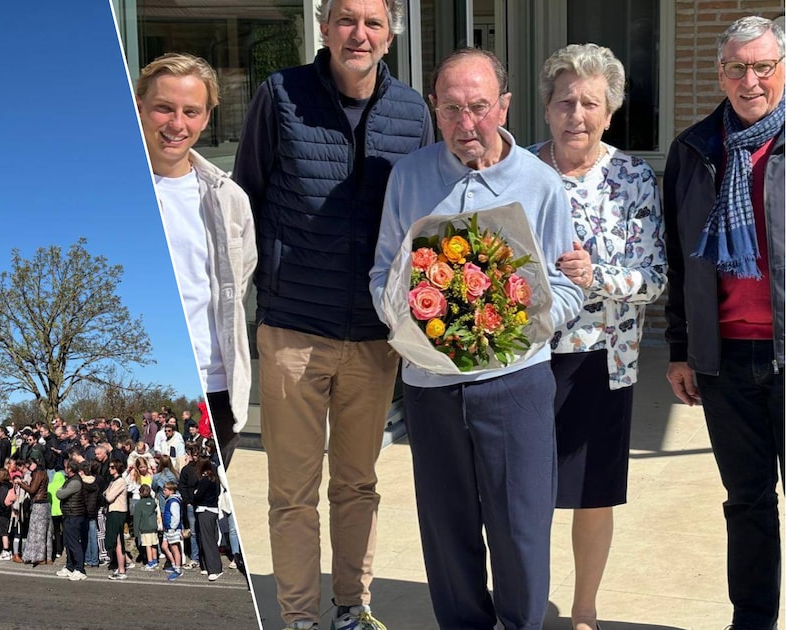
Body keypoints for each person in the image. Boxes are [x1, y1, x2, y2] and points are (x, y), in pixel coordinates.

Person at [369, 48, 584, 628]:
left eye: (480, 108)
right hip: (430, 387)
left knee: (520, 530)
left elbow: (566, 286)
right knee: (447, 532)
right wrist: (404, 320)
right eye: (452, 110)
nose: (467, 124)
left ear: (505, 106)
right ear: (435, 111)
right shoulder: (409, 177)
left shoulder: (541, 184)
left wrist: (517, 327)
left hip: (515, 384)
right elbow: (383, 270)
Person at [232, 0, 432, 626]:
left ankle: (352, 606)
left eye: (373, 22)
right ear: (323, 24)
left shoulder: (412, 111)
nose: (359, 34)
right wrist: (270, 285)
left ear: (391, 33)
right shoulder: (281, 94)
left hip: (374, 336)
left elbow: (425, 214)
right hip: (294, 326)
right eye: (347, 19)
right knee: (291, 493)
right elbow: (248, 196)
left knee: (357, 484)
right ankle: (297, 616)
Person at [527, 43, 668, 630]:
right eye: (565, 102)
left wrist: (598, 276)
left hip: (601, 358)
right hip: (523, 355)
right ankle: (524, 605)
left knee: (591, 494)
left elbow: (655, 276)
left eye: (590, 103)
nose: (576, 115)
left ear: (609, 112)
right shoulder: (521, 169)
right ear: (546, 108)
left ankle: (583, 611)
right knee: (522, 494)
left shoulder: (632, 177)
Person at [663, 16, 784, 630]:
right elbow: (680, 261)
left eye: (763, 65)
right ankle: (754, 621)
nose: (750, 80)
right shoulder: (693, 150)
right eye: (736, 67)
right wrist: (682, 350)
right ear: (720, 74)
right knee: (748, 503)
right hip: (727, 361)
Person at [135, 52, 256, 468]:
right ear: (139, 107)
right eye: (163, 108)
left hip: (216, 389)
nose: (176, 124)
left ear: (206, 118)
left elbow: (236, 285)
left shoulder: (229, 198)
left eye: (191, 111)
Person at [13, 457, 51, 566]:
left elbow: (32, 490)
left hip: (39, 504)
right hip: (43, 503)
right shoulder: (43, 472)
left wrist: (20, 483)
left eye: (29, 465)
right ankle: (45, 557)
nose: (29, 467)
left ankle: (38, 557)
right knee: (44, 532)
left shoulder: (38, 473)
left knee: (37, 532)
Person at [55, 461, 88, 581]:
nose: (65, 469)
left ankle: (80, 569)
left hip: (75, 515)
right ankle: (70, 566)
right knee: (68, 543)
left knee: (74, 543)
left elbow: (60, 494)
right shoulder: (70, 480)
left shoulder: (75, 482)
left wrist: (60, 491)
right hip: (69, 514)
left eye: (66, 468)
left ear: (70, 469)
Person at [102, 460, 130, 580]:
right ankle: (123, 564)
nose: (110, 469)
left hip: (118, 512)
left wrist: (107, 493)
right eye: (110, 467)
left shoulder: (120, 481)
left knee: (118, 541)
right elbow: (105, 492)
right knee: (116, 540)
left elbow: (108, 496)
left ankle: (122, 569)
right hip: (113, 511)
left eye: (112, 467)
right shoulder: (113, 481)